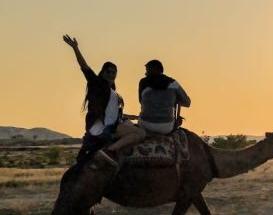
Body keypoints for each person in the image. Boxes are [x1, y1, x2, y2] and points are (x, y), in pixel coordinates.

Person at [63, 35, 145, 165]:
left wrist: (130, 116)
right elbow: (85, 67)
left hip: (109, 125)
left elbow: (111, 113)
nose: (111, 74)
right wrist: (75, 48)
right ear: (103, 72)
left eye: (114, 72)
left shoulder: (112, 92)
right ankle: (110, 151)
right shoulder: (97, 84)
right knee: (140, 134)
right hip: (103, 128)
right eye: (109, 72)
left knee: (135, 127)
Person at [137, 59, 191, 135]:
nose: (145, 73)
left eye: (147, 70)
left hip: (145, 124)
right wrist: (173, 101)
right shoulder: (173, 83)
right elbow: (187, 103)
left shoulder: (143, 82)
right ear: (161, 70)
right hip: (166, 127)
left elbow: (141, 101)